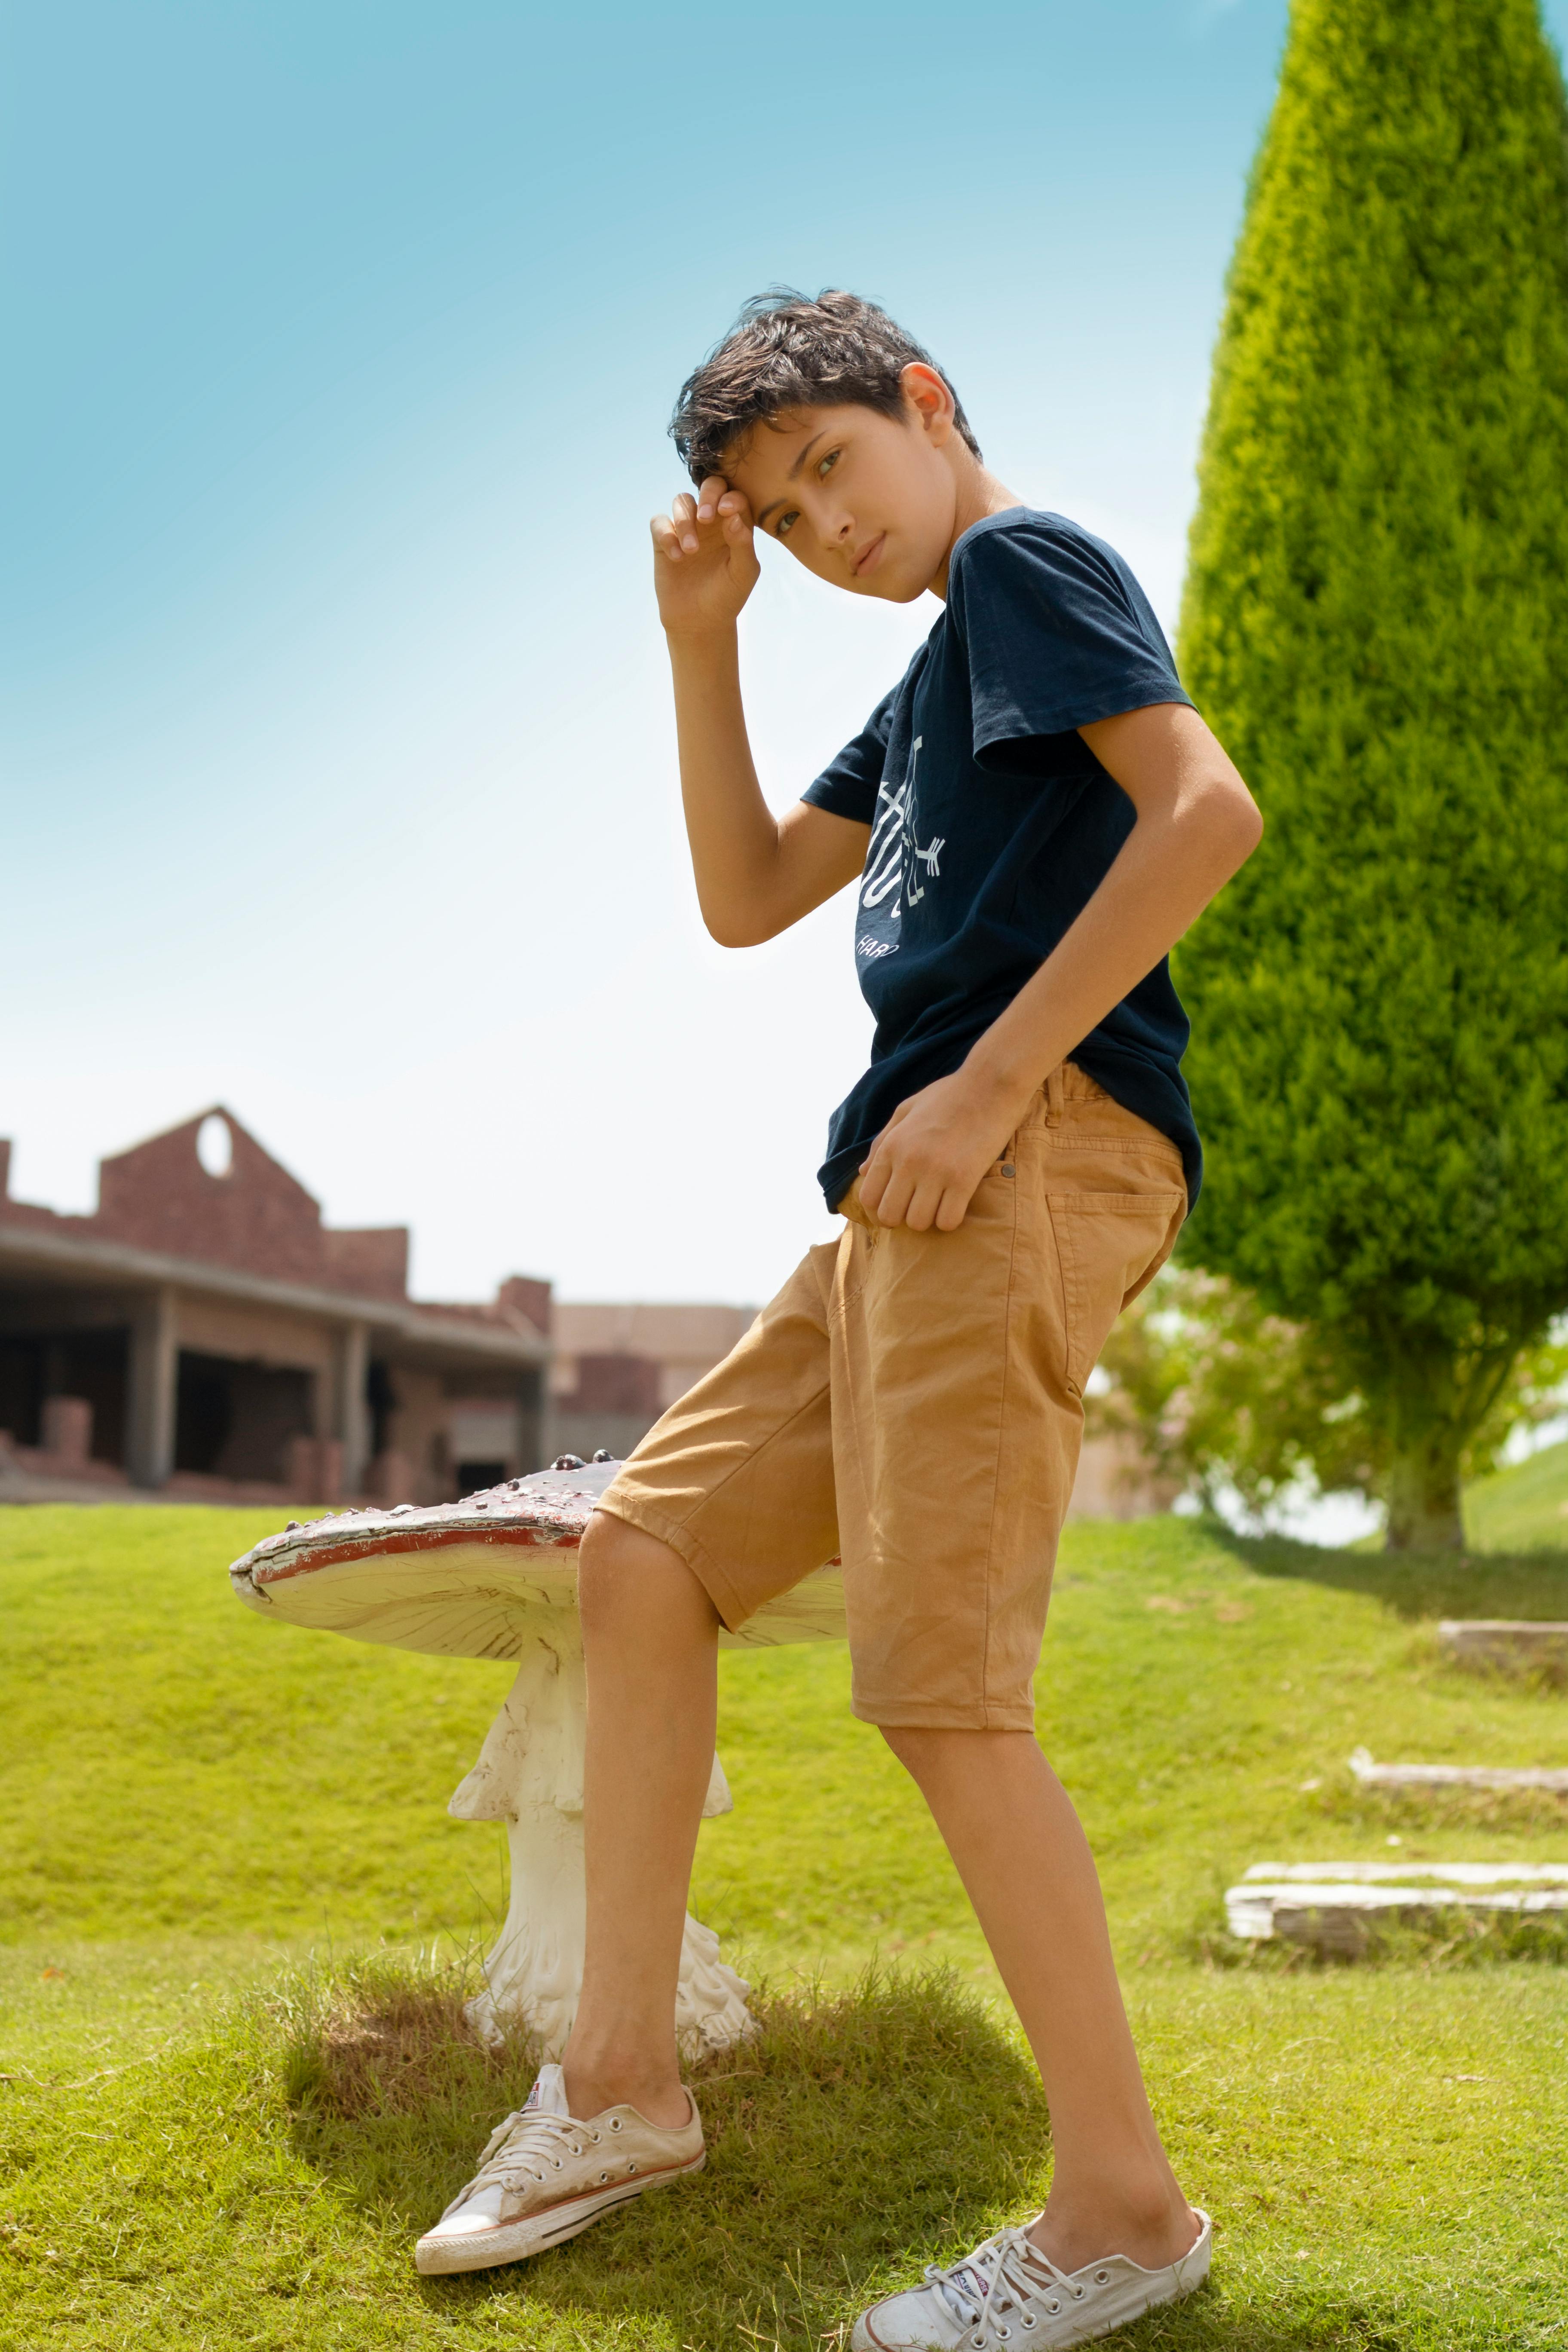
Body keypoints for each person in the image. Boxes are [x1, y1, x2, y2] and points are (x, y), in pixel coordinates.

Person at [416, 289, 1261, 2349]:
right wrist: (701, 637)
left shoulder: (1023, 564)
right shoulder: (933, 677)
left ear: (929, 404)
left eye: (829, 469)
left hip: (1019, 1140)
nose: (822, 528)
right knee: (646, 1555)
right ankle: (621, 2087)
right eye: (781, 518)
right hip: (902, 1189)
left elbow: (1207, 812)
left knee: (942, 1687)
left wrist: (990, 1085)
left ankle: (1122, 2210)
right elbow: (742, 895)